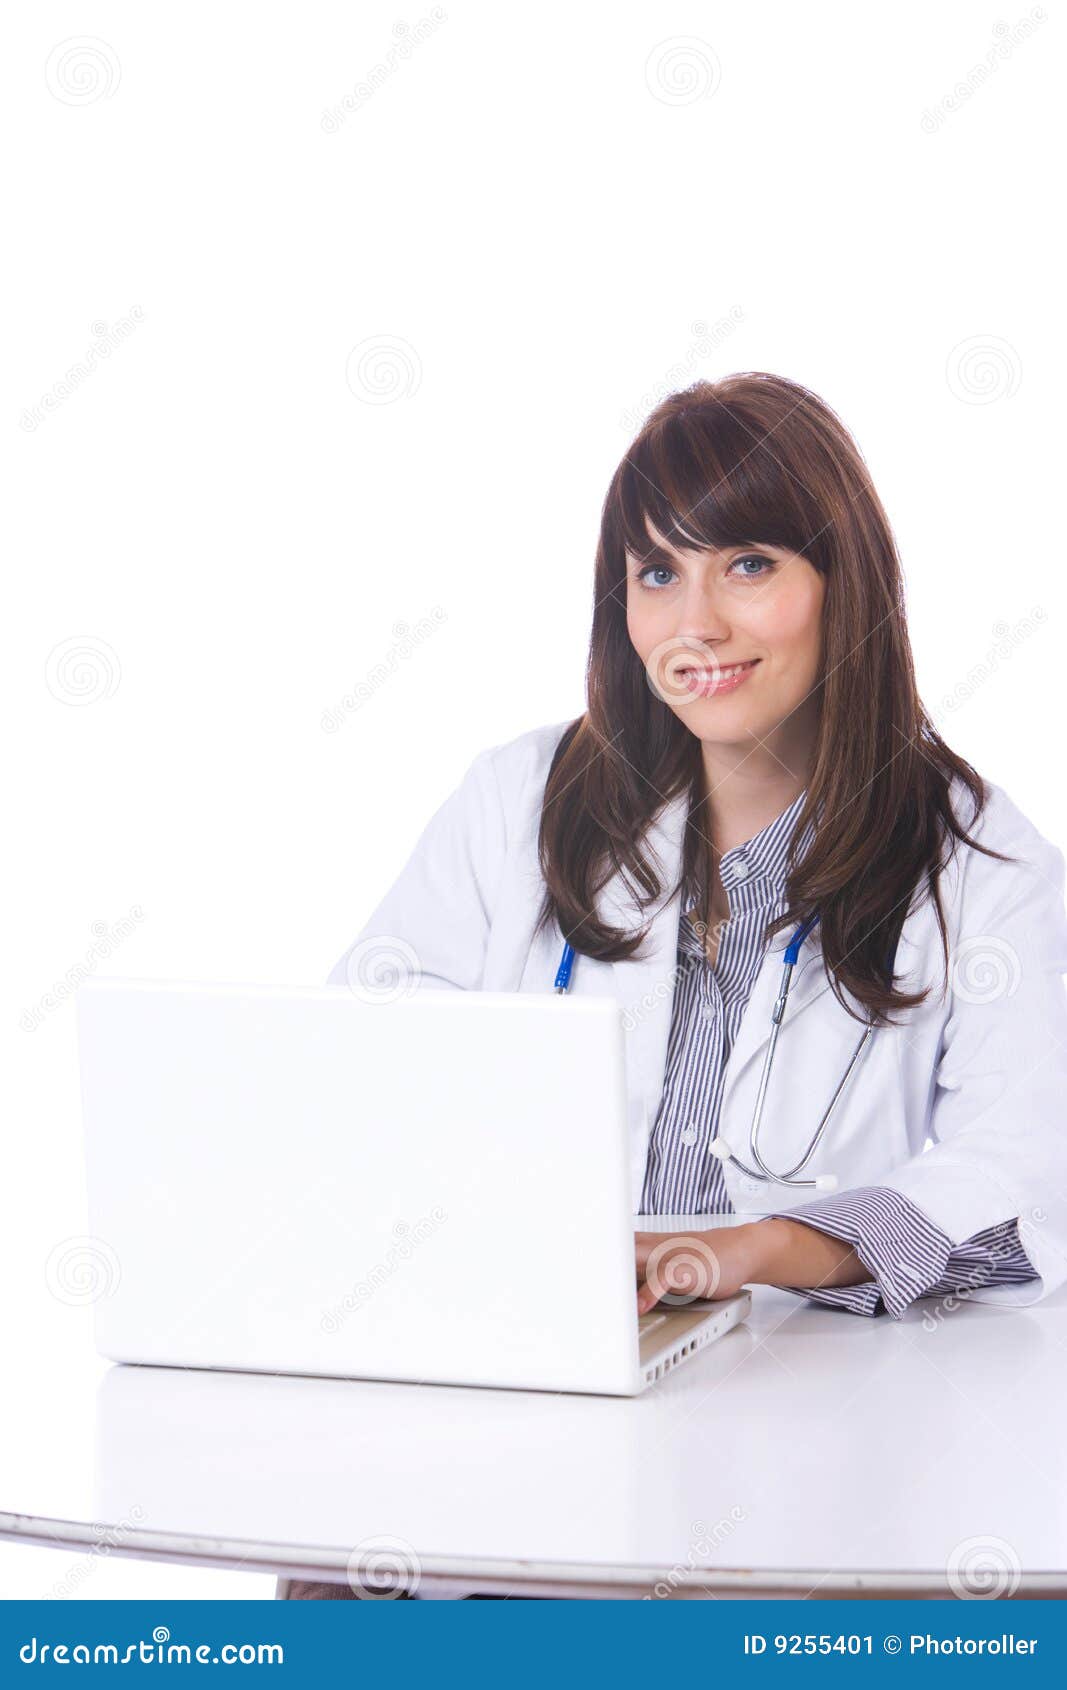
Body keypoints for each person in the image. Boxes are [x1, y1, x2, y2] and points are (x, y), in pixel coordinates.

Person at [287, 373, 1067, 1599]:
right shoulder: (521, 803)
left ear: (839, 583)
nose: (690, 621)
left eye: (745, 562)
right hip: (523, 1404)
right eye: (655, 573)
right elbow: (361, 1070)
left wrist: (755, 1248)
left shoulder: (980, 863)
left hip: (809, 1459)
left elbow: (1016, 1189)